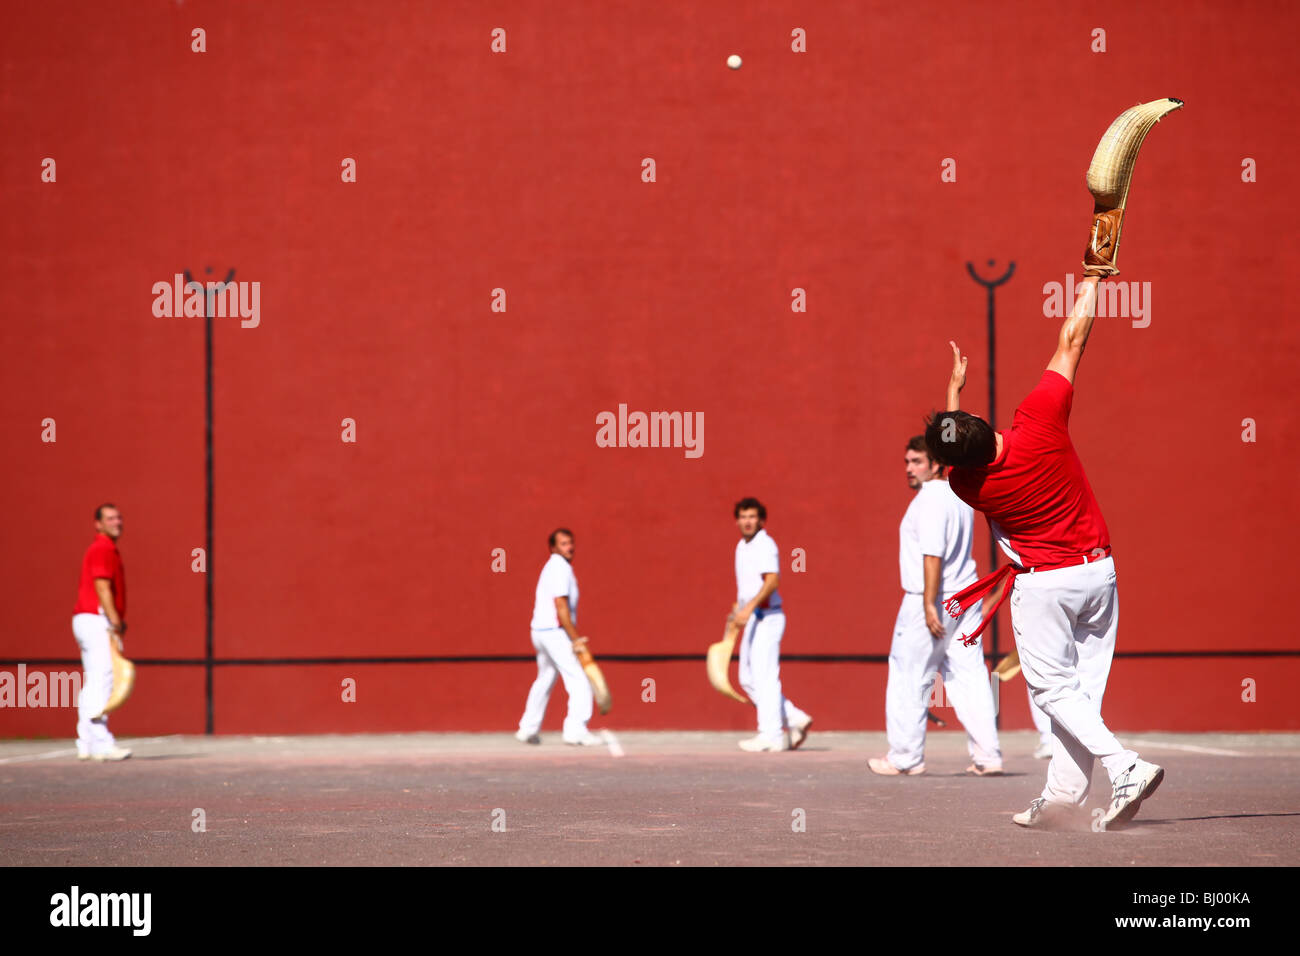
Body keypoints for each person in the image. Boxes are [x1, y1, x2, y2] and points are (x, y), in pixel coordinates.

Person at [925, 272, 1163, 830]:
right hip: (1099, 575)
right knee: (1080, 695)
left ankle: (1124, 765)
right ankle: (1062, 797)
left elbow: (954, 459)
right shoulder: (1040, 418)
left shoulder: (970, 485)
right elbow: (1072, 339)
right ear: (983, 421)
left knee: (1055, 693)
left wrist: (951, 393)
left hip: (1044, 587)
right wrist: (1095, 276)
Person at [868, 437, 1002, 776]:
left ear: (936, 464)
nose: (909, 469)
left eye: (916, 462)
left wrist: (928, 603)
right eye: (907, 462)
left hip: (930, 600)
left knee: (909, 675)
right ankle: (989, 756)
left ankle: (904, 757)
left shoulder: (929, 500)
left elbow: (932, 554)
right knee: (970, 676)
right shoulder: (960, 497)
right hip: (965, 599)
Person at [731, 498, 812, 752]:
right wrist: (738, 611)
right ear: (737, 520)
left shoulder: (765, 544)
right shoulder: (742, 547)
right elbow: (747, 586)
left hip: (768, 617)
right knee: (747, 678)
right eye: (743, 516)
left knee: (765, 677)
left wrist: (749, 607)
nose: (747, 521)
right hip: (754, 618)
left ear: (761, 520)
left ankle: (772, 735)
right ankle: (794, 717)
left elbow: (772, 581)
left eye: (752, 517)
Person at [516, 528, 601, 746]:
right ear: (553, 548)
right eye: (563, 544)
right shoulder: (560, 567)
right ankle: (576, 730)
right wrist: (575, 639)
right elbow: (561, 605)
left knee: (545, 677)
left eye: (571, 543)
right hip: (554, 633)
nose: (569, 547)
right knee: (579, 678)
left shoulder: (552, 567)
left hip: (540, 632)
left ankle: (527, 729)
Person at [72, 503, 131, 761]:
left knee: (94, 678)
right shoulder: (103, 548)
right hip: (97, 619)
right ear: (98, 524)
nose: (116, 522)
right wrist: (115, 621)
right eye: (110, 518)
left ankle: (85, 742)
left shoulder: (104, 548)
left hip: (85, 619)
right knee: (103, 678)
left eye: (118, 517)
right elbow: (102, 587)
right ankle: (101, 742)